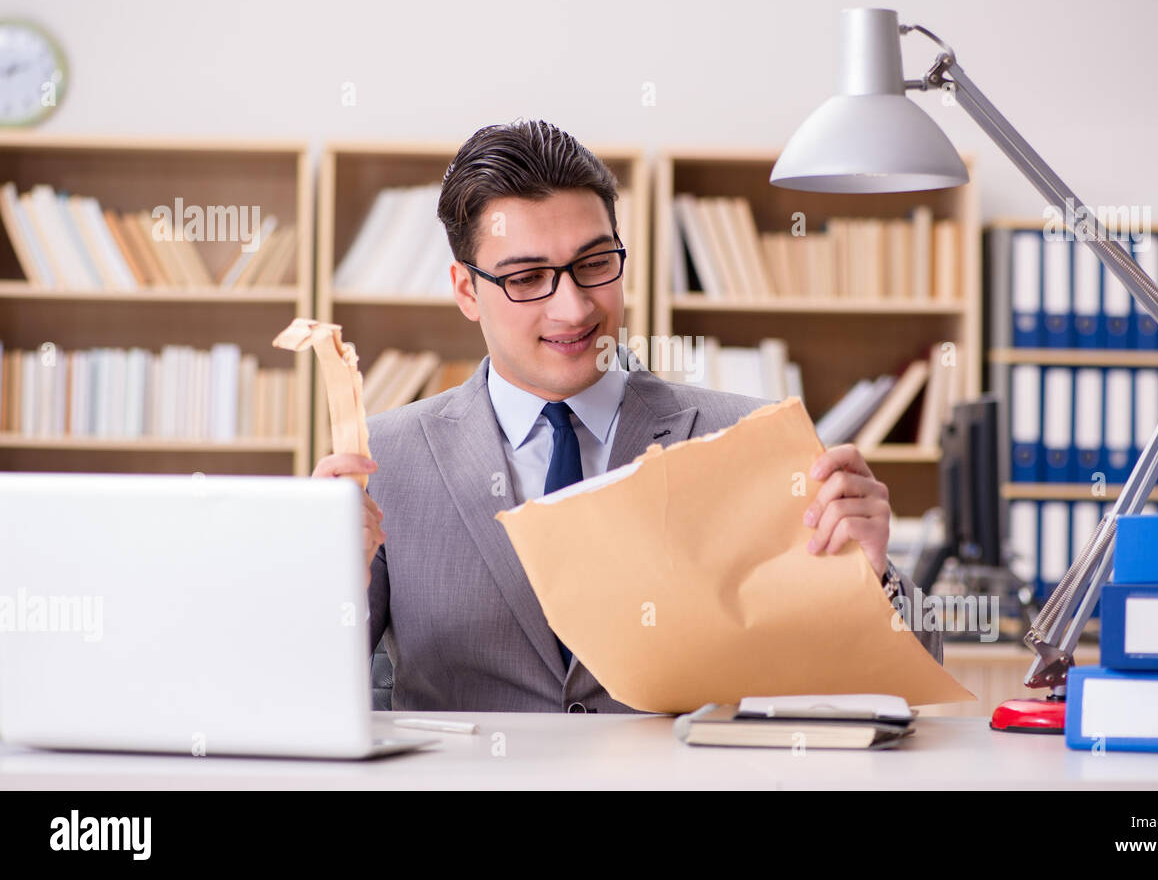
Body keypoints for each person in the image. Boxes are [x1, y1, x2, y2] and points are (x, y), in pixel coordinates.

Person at [313, 119, 942, 712]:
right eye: (528, 277)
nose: (574, 308)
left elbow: (914, 674)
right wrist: (306, 573)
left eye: (593, 264)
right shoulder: (386, 460)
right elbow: (305, 687)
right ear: (465, 290)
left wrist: (875, 576)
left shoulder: (748, 440)